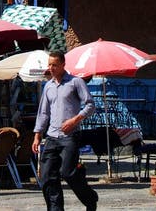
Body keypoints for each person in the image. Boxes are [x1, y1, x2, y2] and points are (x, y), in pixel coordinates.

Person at [32, 51, 98, 211]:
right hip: (52, 137)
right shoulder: (48, 86)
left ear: (63, 64)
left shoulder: (76, 82)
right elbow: (43, 113)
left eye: (54, 65)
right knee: (46, 176)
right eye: (49, 65)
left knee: (67, 172)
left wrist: (74, 120)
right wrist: (37, 135)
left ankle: (90, 198)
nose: (51, 68)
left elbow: (90, 105)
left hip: (70, 136)